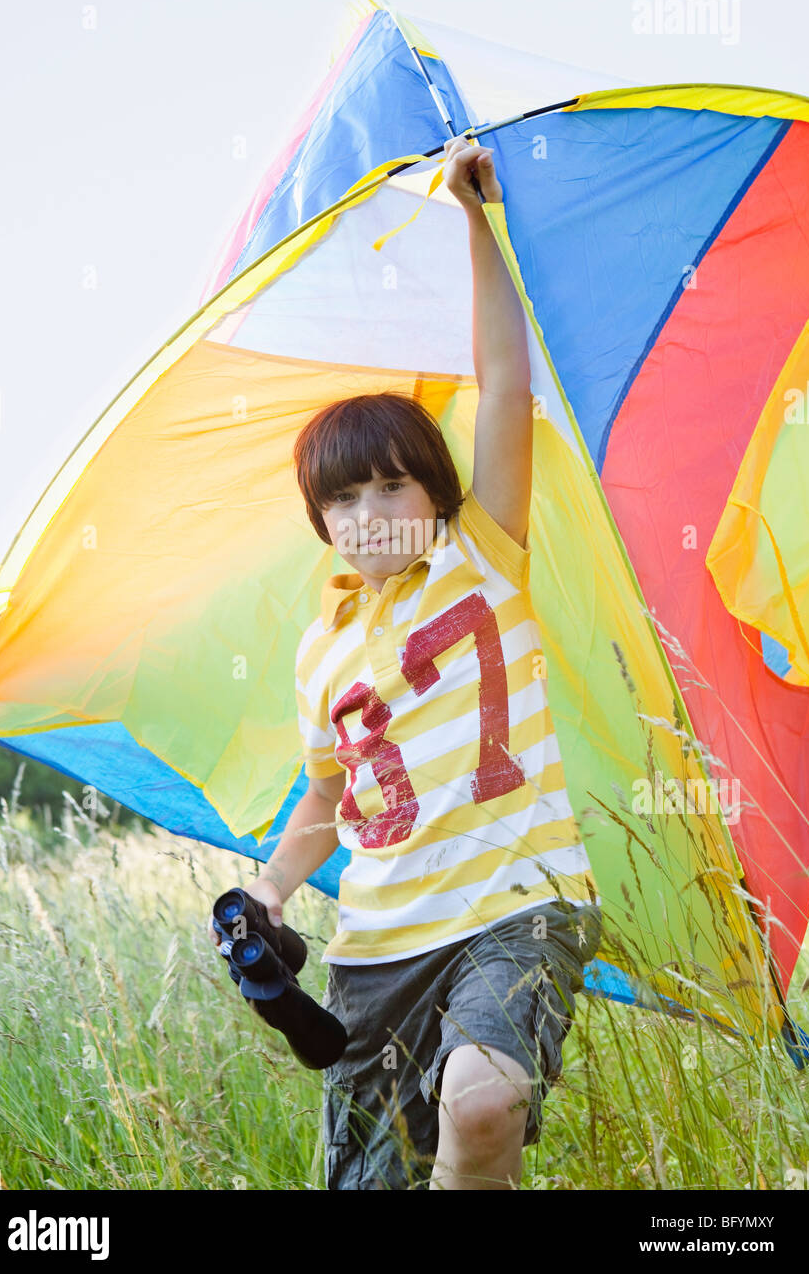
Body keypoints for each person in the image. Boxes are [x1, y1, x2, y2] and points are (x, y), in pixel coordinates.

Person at [209, 135, 602, 1190]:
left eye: (390, 488)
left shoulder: (483, 553)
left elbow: (504, 380)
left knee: (482, 1104)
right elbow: (327, 796)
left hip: (516, 906)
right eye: (342, 499)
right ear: (320, 522)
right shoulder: (320, 647)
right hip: (375, 947)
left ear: (434, 493)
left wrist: (476, 219)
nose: (368, 515)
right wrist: (275, 890)